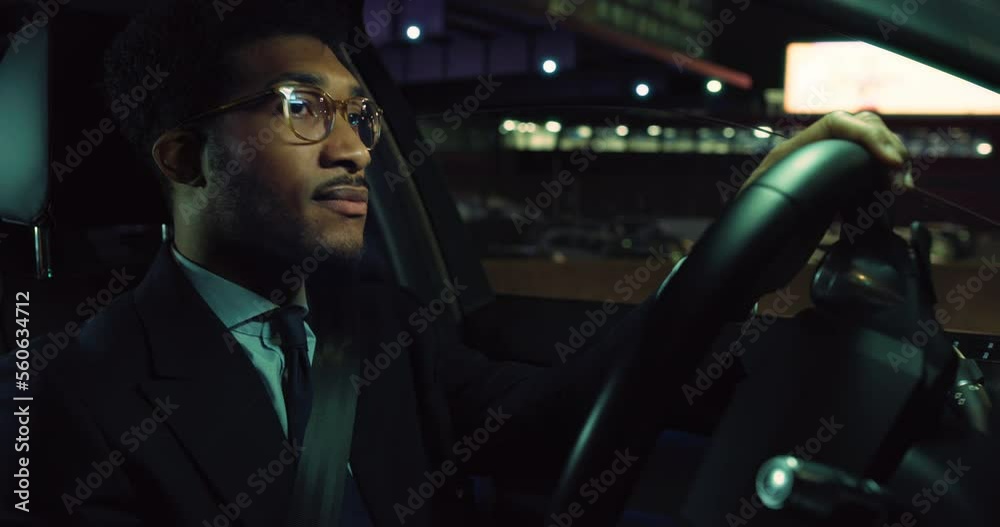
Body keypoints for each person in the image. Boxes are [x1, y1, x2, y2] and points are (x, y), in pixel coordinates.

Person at [20, 1, 911, 526]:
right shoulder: (72, 397)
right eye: (302, 108)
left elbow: (560, 419)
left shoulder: (377, 323)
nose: (356, 150)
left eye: (359, 116)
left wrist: (732, 270)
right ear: (183, 159)